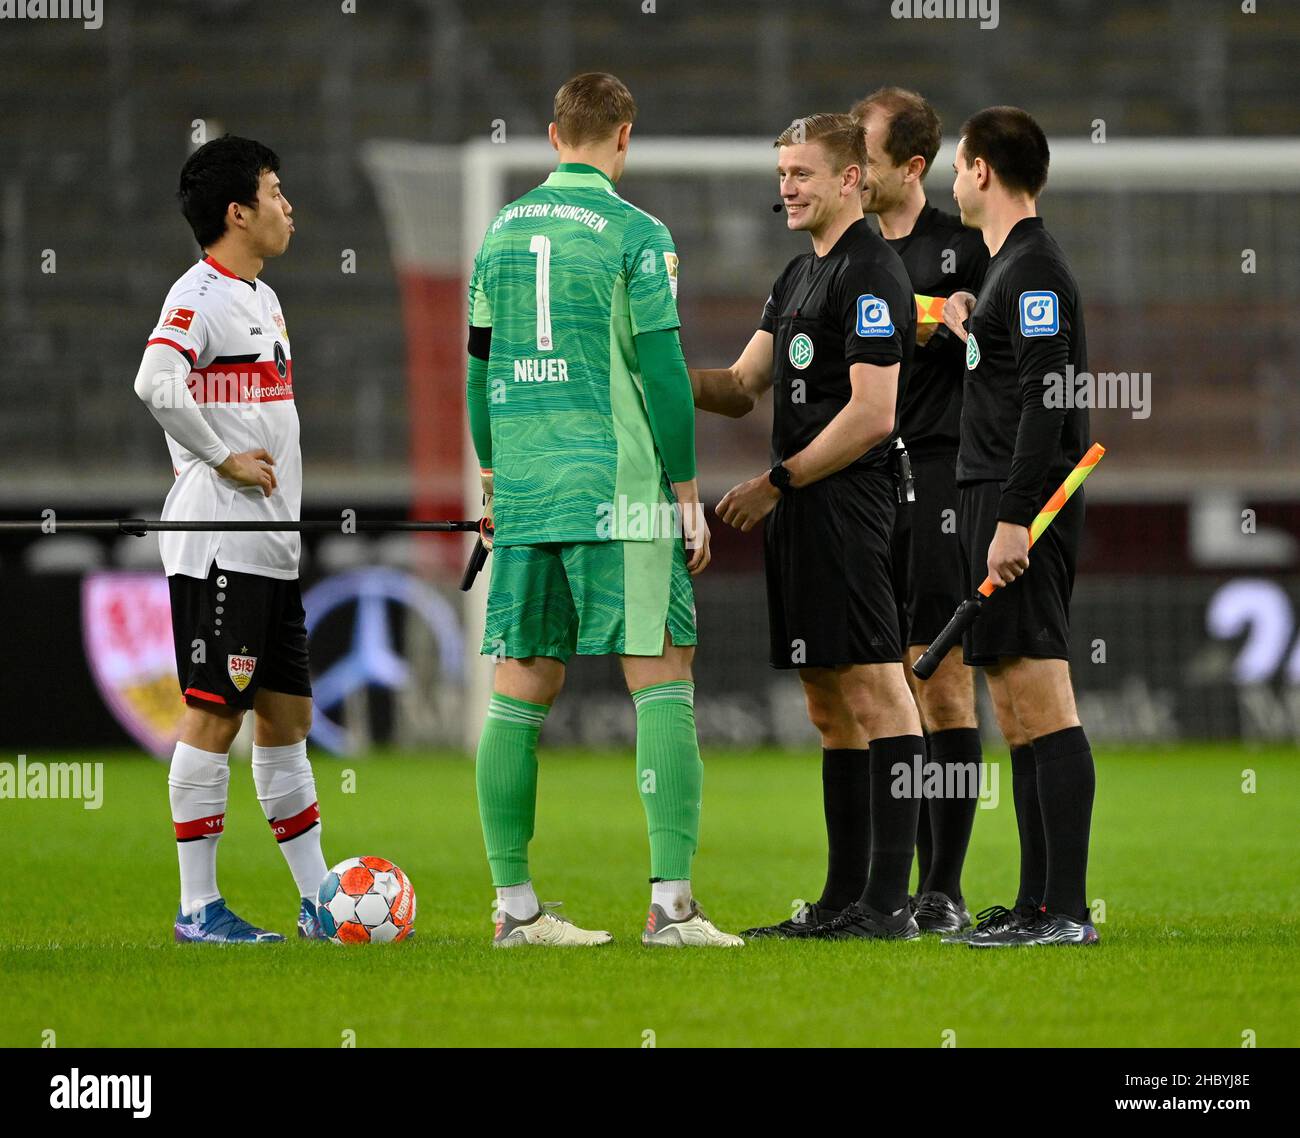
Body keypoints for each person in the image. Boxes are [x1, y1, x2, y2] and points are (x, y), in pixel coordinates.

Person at [465, 72, 742, 949]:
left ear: (553, 134)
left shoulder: (500, 232)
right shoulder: (636, 233)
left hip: (526, 484)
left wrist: (490, 477)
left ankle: (516, 912)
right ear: (624, 136)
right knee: (662, 676)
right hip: (617, 489)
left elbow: (476, 372)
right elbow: (663, 372)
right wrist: (688, 492)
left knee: (519, 690)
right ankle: (672, 908)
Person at [691, 113, 924, 941]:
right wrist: (654, 371)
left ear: (851, 179)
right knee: (829, 703)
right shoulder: (798, 275)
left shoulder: (871, 274)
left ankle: (890, 905)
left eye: (802, 173)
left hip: (849, 504)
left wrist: (775, 481)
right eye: (781, 172)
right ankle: (839, 902)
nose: (785, 187)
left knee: (878, 692)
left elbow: (871, 415)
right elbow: (745, 384)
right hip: (800, 506)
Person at [134, 135, 328, 943]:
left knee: (286, 720)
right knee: (214, 714)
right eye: (277, 192)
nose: (290, 207)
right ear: (236, 212)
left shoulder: (264, 297)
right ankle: (197, 908)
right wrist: (221, 457)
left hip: (270, 547)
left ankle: (320, 900)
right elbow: (154, 381)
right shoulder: (200, 294)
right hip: (220, 545)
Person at [942, 106, 1099, 947]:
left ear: (981, 170)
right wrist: (974, 325)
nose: (951, 178)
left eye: (958, 164)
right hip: (991, 499)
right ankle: (1037, 903)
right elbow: (1015, 378)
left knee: (1042, 697)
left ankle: (1066, 911)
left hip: (1018, 508)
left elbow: (1050, 401)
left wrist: (1013, 520)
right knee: (1014, 701)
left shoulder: (1035, 271)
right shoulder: (1006, 272)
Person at [854, 87, 989, 934]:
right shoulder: (847, 249)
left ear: (910, 167)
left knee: (940, 681)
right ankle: (879, 889)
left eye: (863, 156)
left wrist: (951, 317)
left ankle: (942, 885)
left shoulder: (966, 250)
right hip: (860, 481)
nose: (851, 172)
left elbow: (995, 341)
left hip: (938, 479)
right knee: (878, 684)